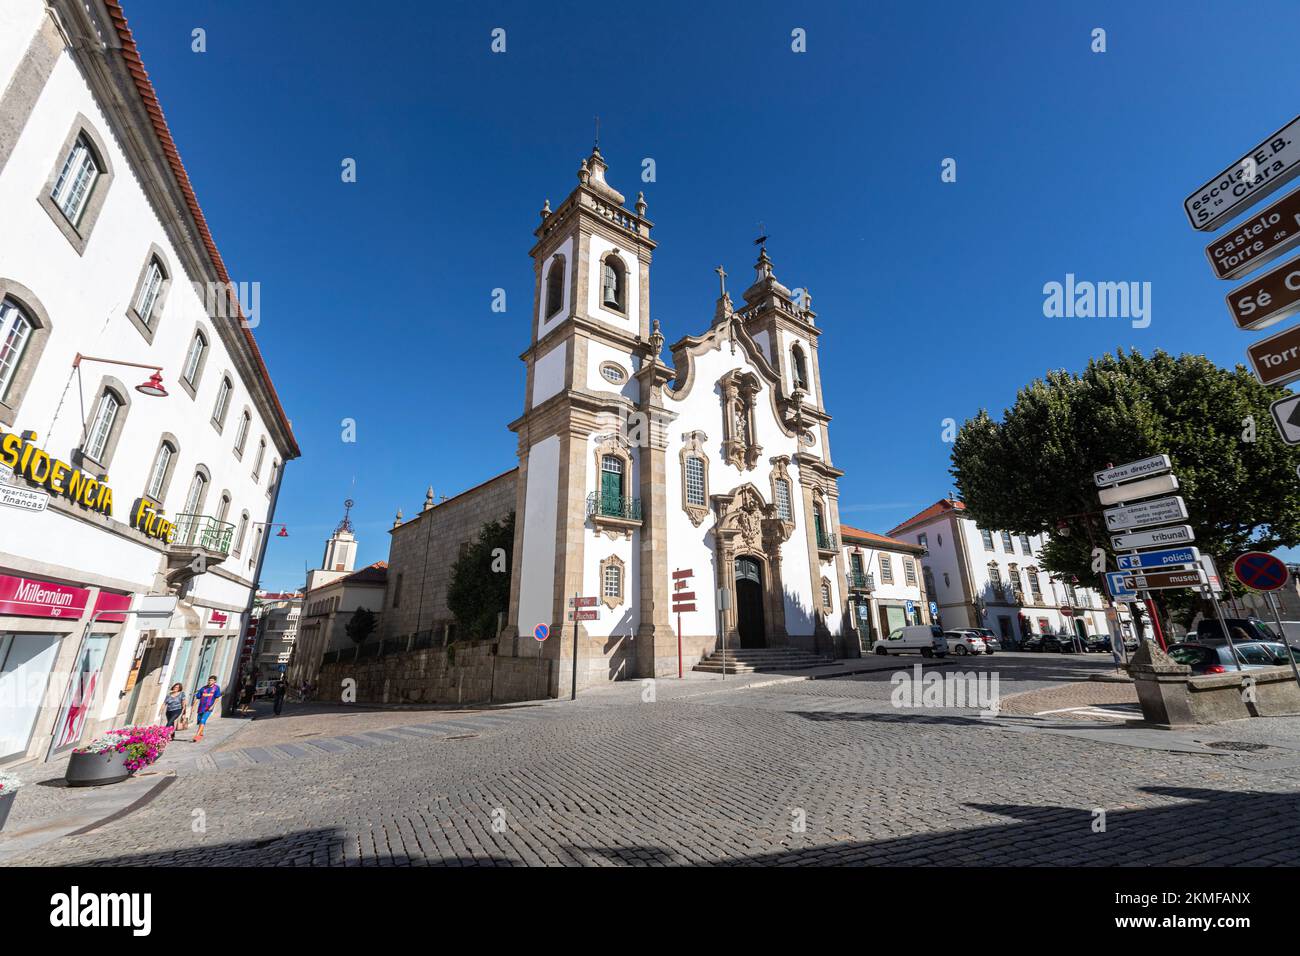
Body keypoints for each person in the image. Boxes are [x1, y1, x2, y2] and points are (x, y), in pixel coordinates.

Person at [192, 675, 221, 741]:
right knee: (199, 721)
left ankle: (197, 735)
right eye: (209, 680)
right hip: (201, 707)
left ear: (215, 681)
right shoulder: (203, 688)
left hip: (208, 708)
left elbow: (217, 698)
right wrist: (193, 707)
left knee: (203, 720)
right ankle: (201, 733)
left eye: (211, 680)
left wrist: (212, 706)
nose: (210, 681)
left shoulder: (216, 688)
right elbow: (197, 698)